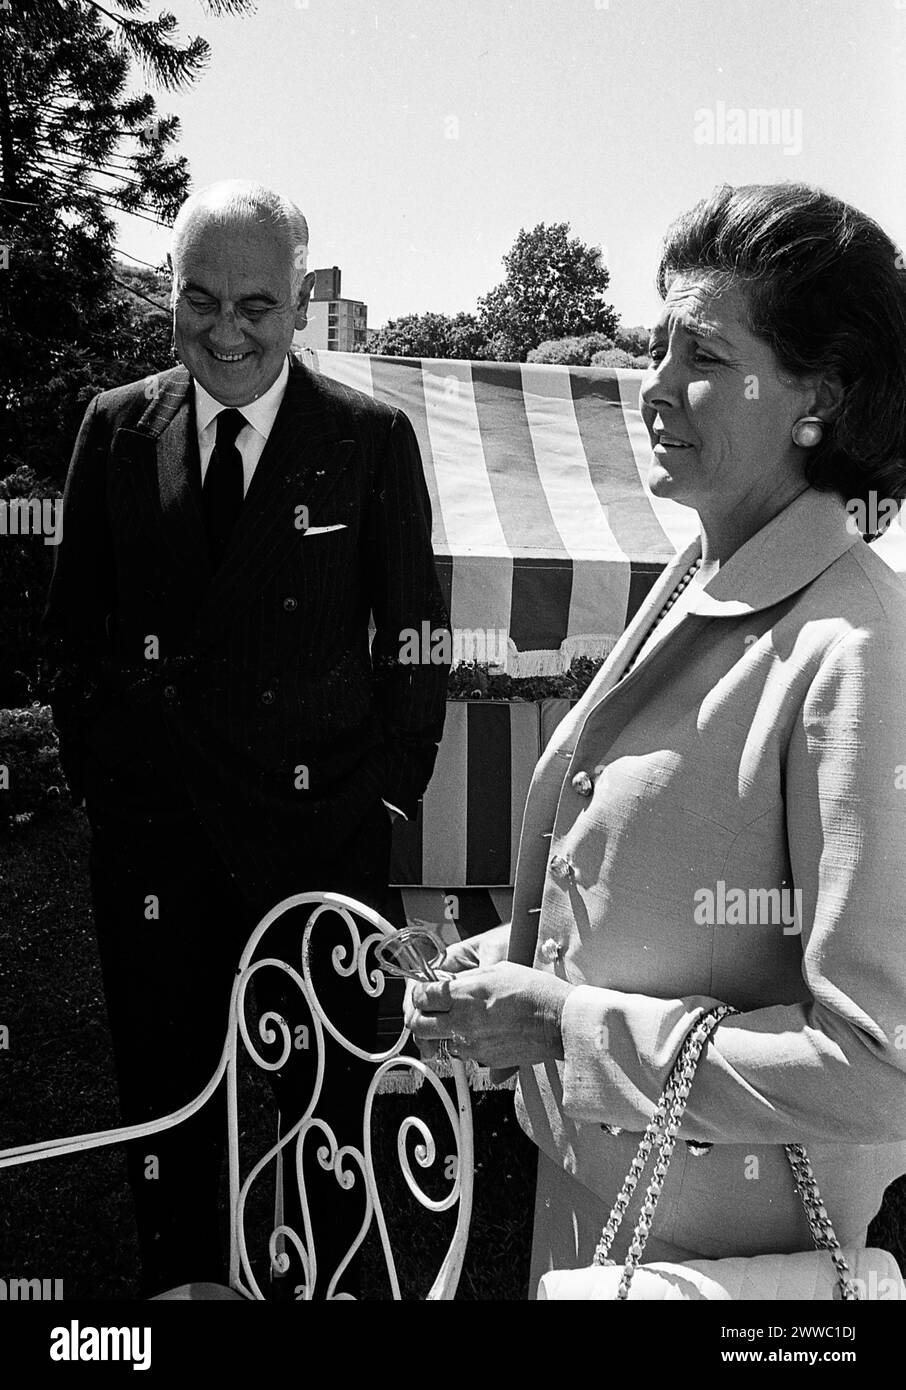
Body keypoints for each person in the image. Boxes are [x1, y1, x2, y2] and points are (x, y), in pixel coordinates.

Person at [408, 181, 906, 1295]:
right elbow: (658, 898)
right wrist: (503, 974)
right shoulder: (696, 576)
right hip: (592, 1220)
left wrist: (568, 1027)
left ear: (816, 399)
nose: (655, 387)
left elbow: (880, 1068)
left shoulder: (859, 644)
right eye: (656, 344)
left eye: (704, 355)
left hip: (732, 1275)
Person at [44, 180, 450, 1297]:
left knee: (327, 1104)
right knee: (169, 1110)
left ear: (303, 307)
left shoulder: (369, 439)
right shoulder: (114, 427)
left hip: (315, 845)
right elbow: (72, 632)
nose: (227, 331)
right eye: (200, 300)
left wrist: (383, 794)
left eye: (257, 306)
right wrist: (109, 777)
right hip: (157, 848)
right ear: (171, 296)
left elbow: (414, 635)